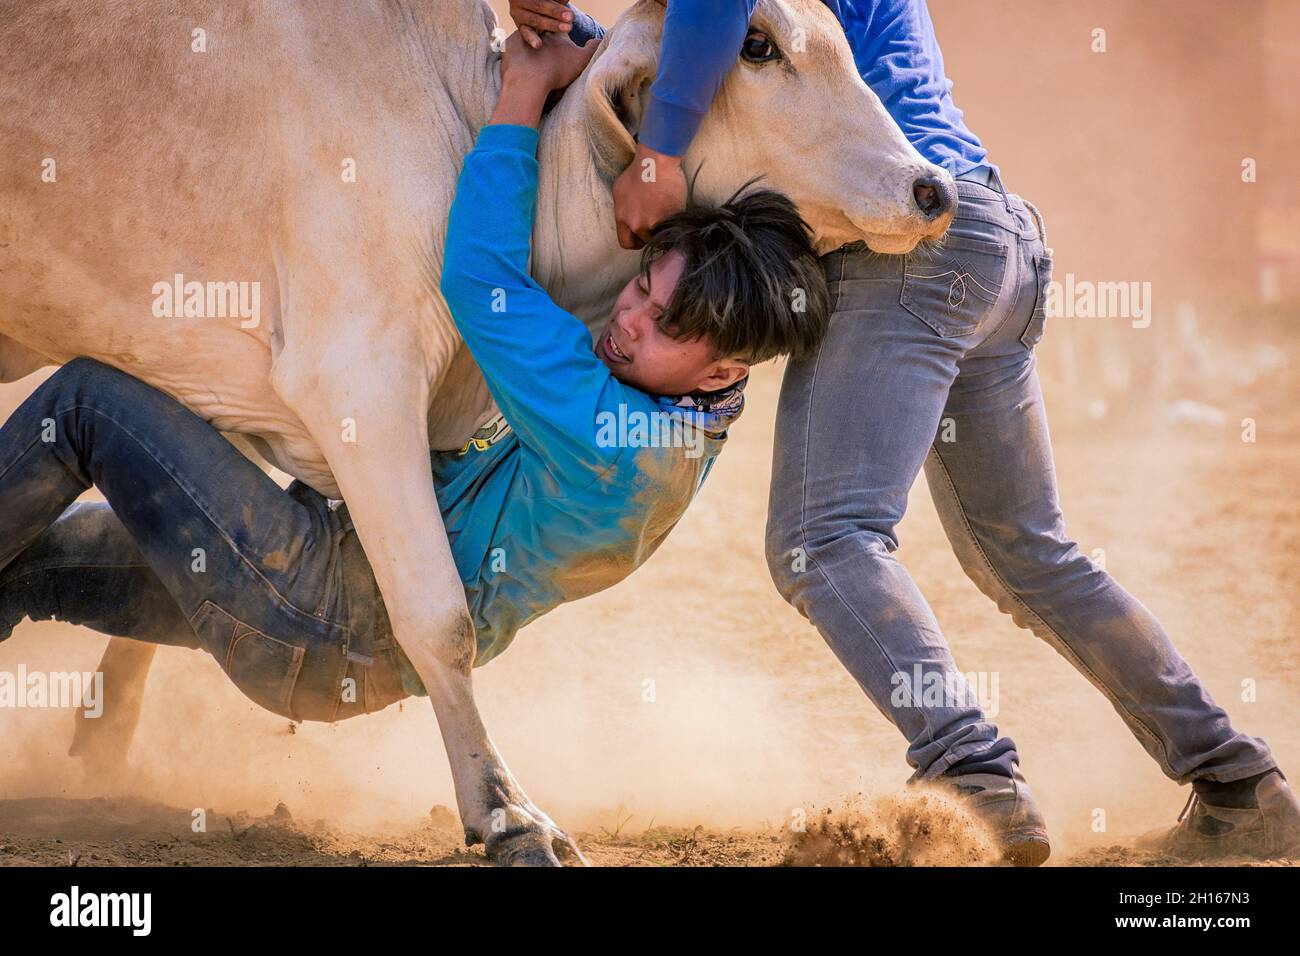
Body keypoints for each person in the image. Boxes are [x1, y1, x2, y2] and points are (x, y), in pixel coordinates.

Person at [508, 0, 1300, 865]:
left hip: (901, 252)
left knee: (825, 538)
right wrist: (584, 32)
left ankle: (974, 777)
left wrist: (657, 152)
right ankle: (1237, 783)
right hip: (998, 239)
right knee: (1028, 552)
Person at [0, 33, 828, 747]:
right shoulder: (693, 410)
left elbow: (478, 279)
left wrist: (521, 88)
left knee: (83, 402)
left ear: (723, 370)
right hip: (322, 608)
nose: (625, 320)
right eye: (642, 287)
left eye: (663, 326)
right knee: (28, 571)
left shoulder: (615, 435)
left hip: (313, 608)